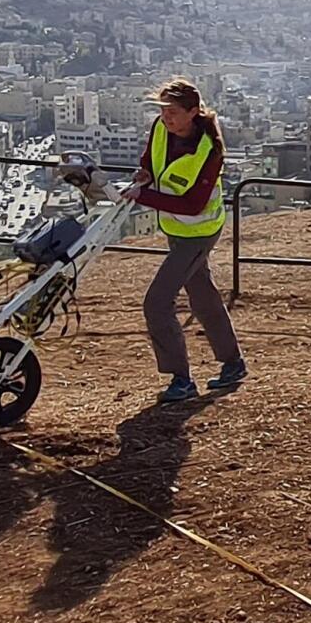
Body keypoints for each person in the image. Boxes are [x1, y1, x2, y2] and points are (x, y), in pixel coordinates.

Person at [124, 78, 246, 403]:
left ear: (193, 112)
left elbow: (193, 204)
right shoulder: (161, 127)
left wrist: (143, 197)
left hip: (198, 231)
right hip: (176, 228)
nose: (167, 117)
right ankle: (233, 362)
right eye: (163, 110)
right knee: (202, 294)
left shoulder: (209, 150)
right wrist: (144, 175)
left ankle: (181, 379)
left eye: (174, 111)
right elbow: (151, 159)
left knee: (157, 302)